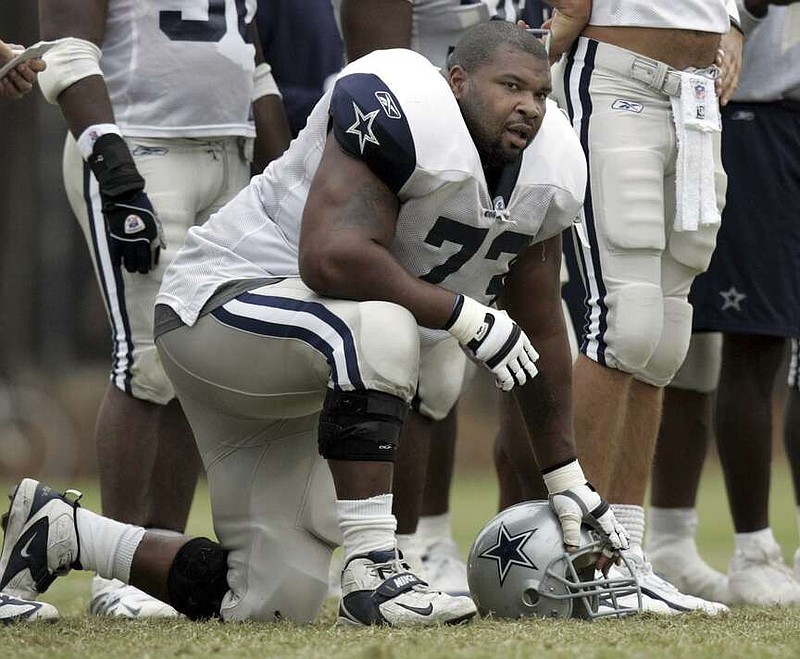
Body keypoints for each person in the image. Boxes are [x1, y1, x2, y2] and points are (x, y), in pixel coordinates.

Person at [0, 21, 628, 627]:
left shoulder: (549, 170)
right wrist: (459, 312)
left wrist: (566, 475)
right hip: (222, 305)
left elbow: (541, 326)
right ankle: (374, 571)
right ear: (457, 80)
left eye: (541, 93)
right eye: (510, 87)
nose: (529, 107)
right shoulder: (403, 109)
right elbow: (330, 259)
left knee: (271, 598)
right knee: (383, 325)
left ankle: (64, 533)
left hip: (304, 360)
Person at [33, 0, 290, 618]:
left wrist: (283, 171)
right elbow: (66, 51)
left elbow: (247, 58)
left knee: (194, 363)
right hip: (141, 149)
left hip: (229, 151)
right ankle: (113, 569)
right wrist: (116, 173)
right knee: (146, 360)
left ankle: (156, 564)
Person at [539, 0, 746, 614]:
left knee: (664, 337)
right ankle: (579, 557)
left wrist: (730, 22)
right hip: (616, 78)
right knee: (623, 326)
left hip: (697, 96)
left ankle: (625, 555)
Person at [646, 0, 800, 607]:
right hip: (754, 110)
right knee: (743, 340)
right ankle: (750, 548)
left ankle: (679, 543)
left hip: (775, 114)